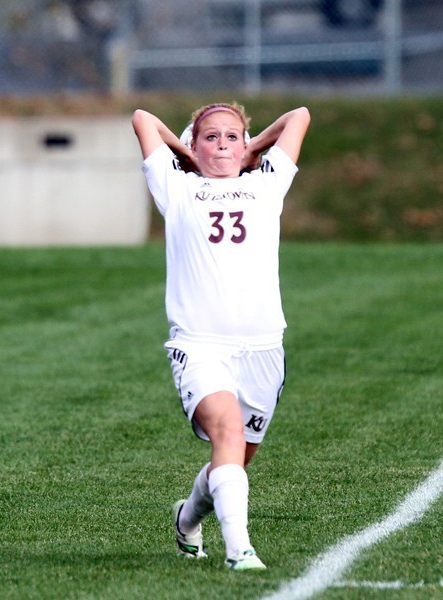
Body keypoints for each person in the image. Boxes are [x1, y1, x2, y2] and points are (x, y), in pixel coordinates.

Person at [132, 102, 311, 571]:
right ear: (194, 145)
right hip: (199, 345)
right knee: (226, 434)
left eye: (232, 137)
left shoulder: (266, 183)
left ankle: (187, 519)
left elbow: (300, 115)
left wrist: (254, 145)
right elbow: (142, 118)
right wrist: (182, 152)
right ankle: (240, 552)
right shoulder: (177, 187)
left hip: (264, 350)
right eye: (210, 137)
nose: (223, 146)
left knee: (232, 463)